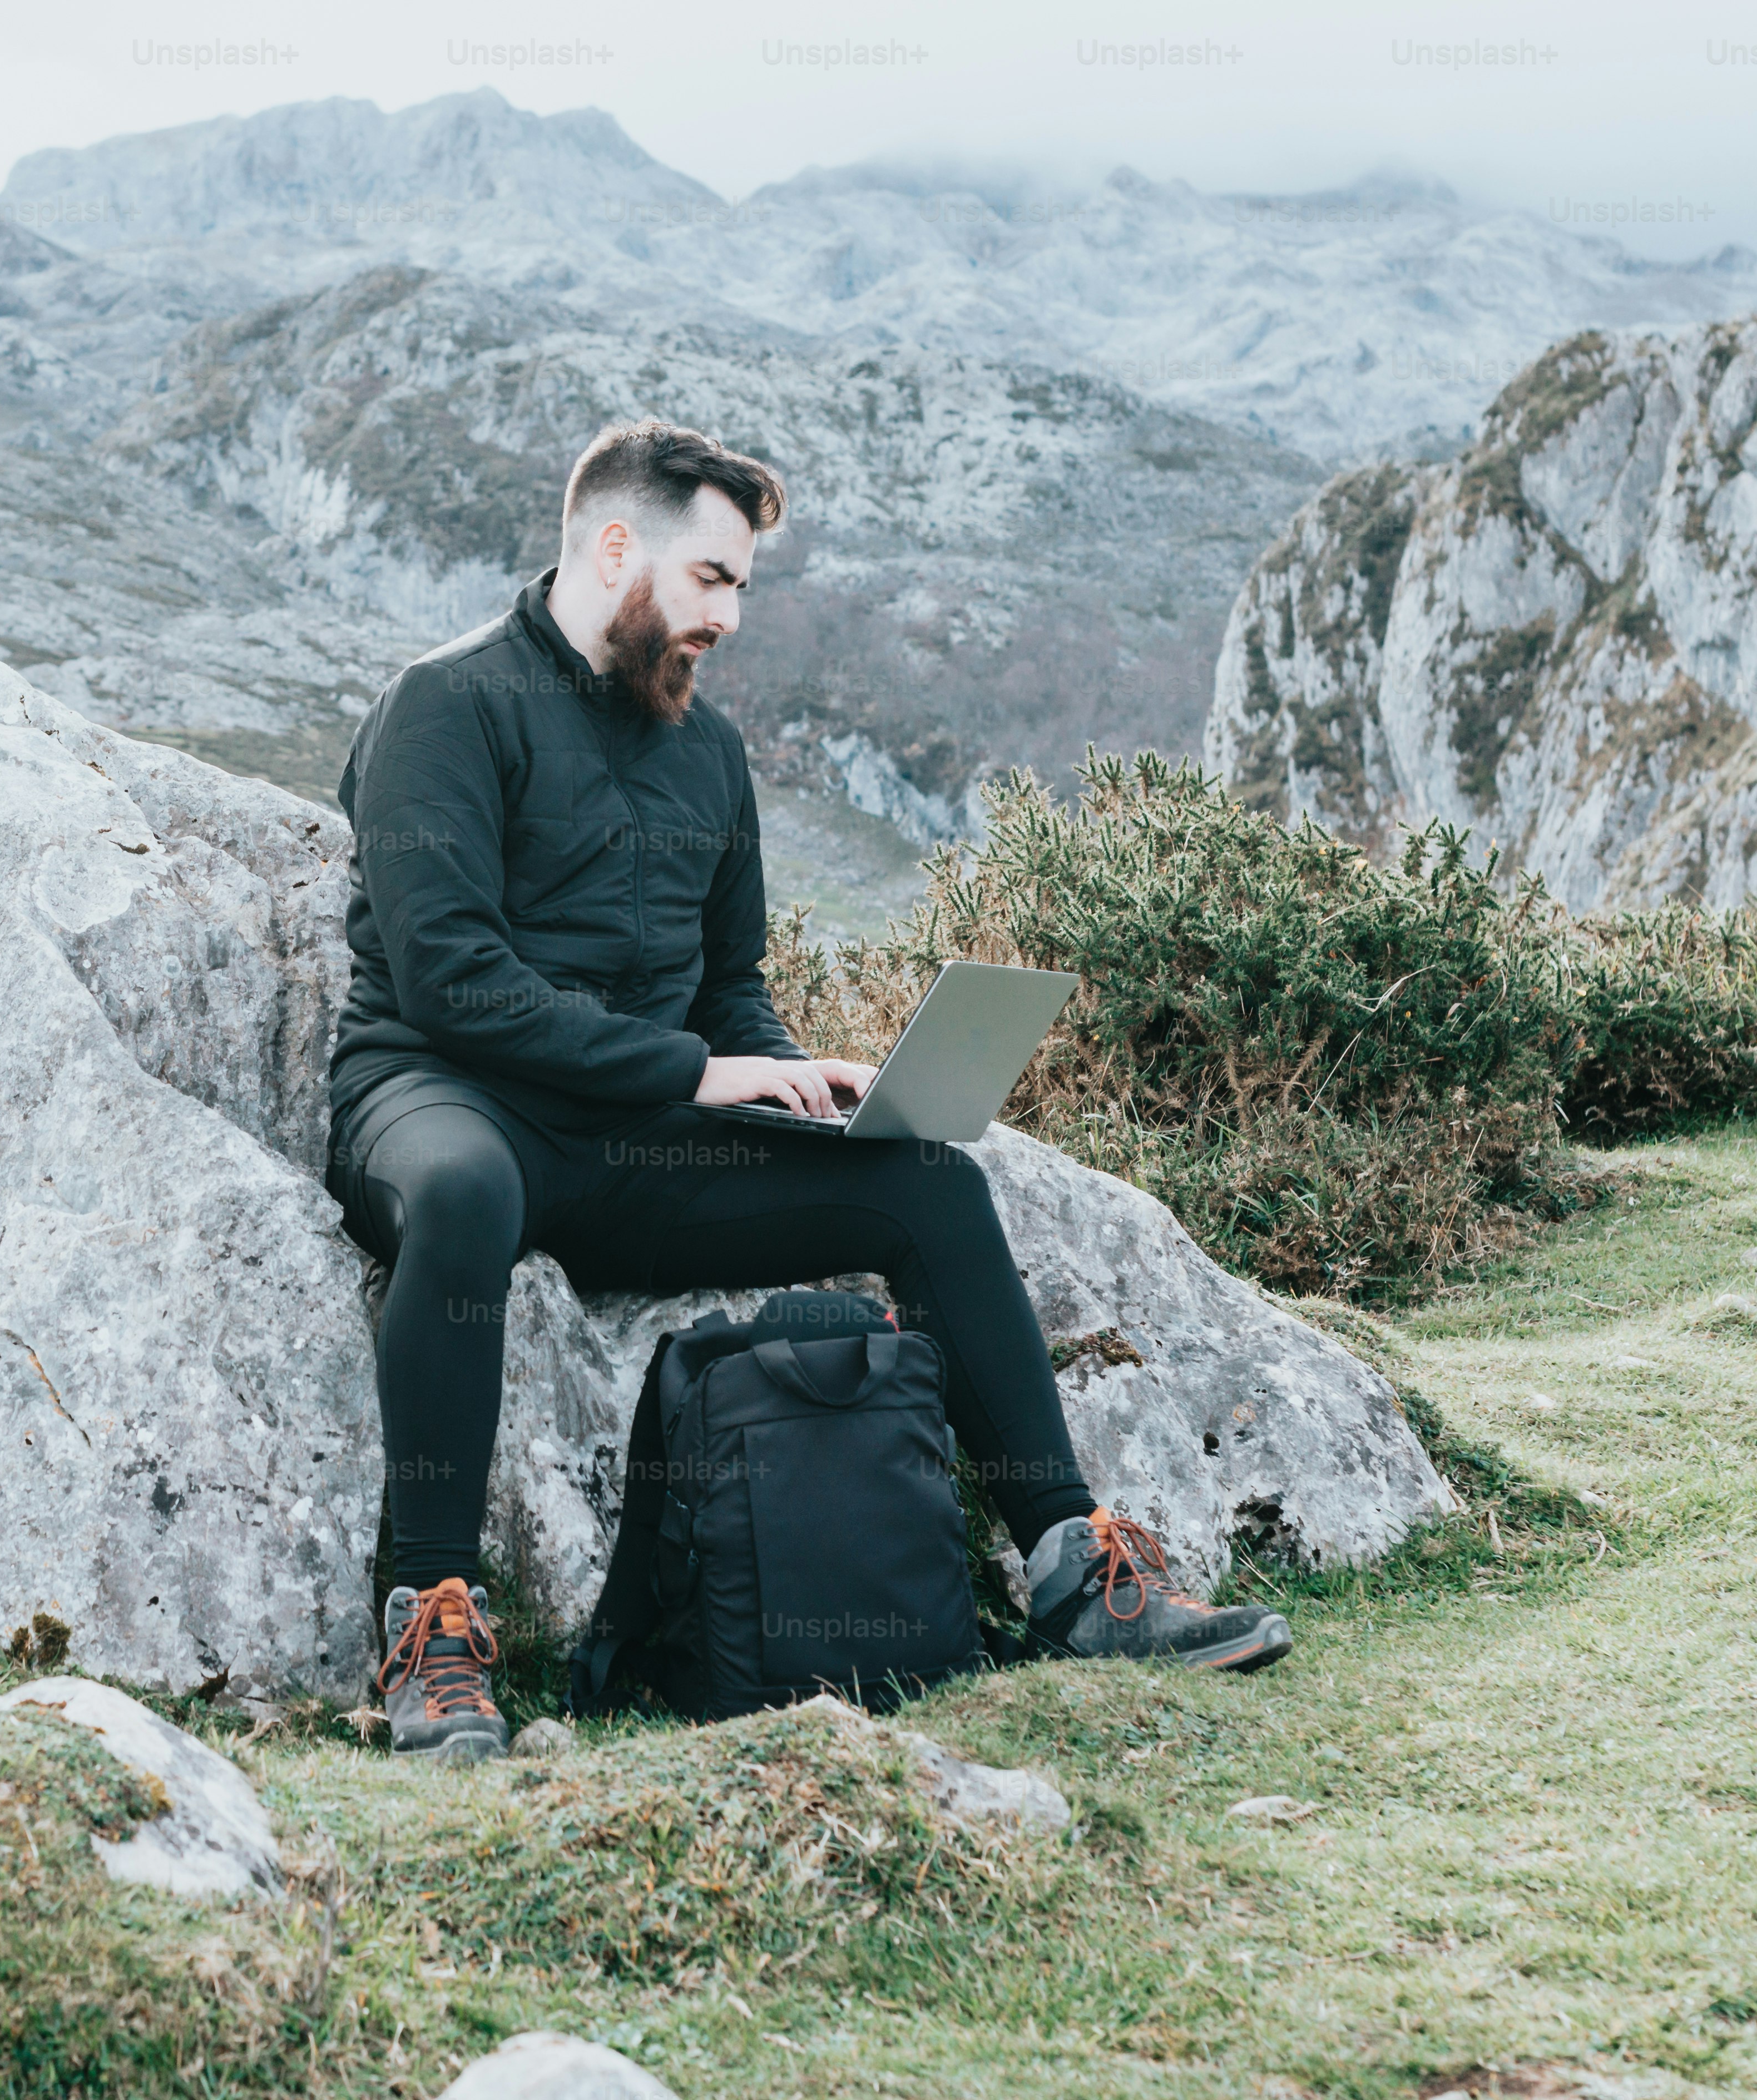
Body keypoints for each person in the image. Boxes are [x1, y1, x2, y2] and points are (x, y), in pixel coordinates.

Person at [326, 420, 1290, 1760]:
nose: (728, 615)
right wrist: (700, 1067)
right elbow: (451, 981)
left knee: (929, 1187)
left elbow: (727, 988)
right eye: (712, 578)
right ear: (617, 548)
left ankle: (1076, 1567)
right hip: (443, 1104)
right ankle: (431, 1622)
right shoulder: (447, 704)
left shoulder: (708, 756)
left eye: (740, 588)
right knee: (469, 1189)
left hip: (639, 1148)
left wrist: (791, 1081)